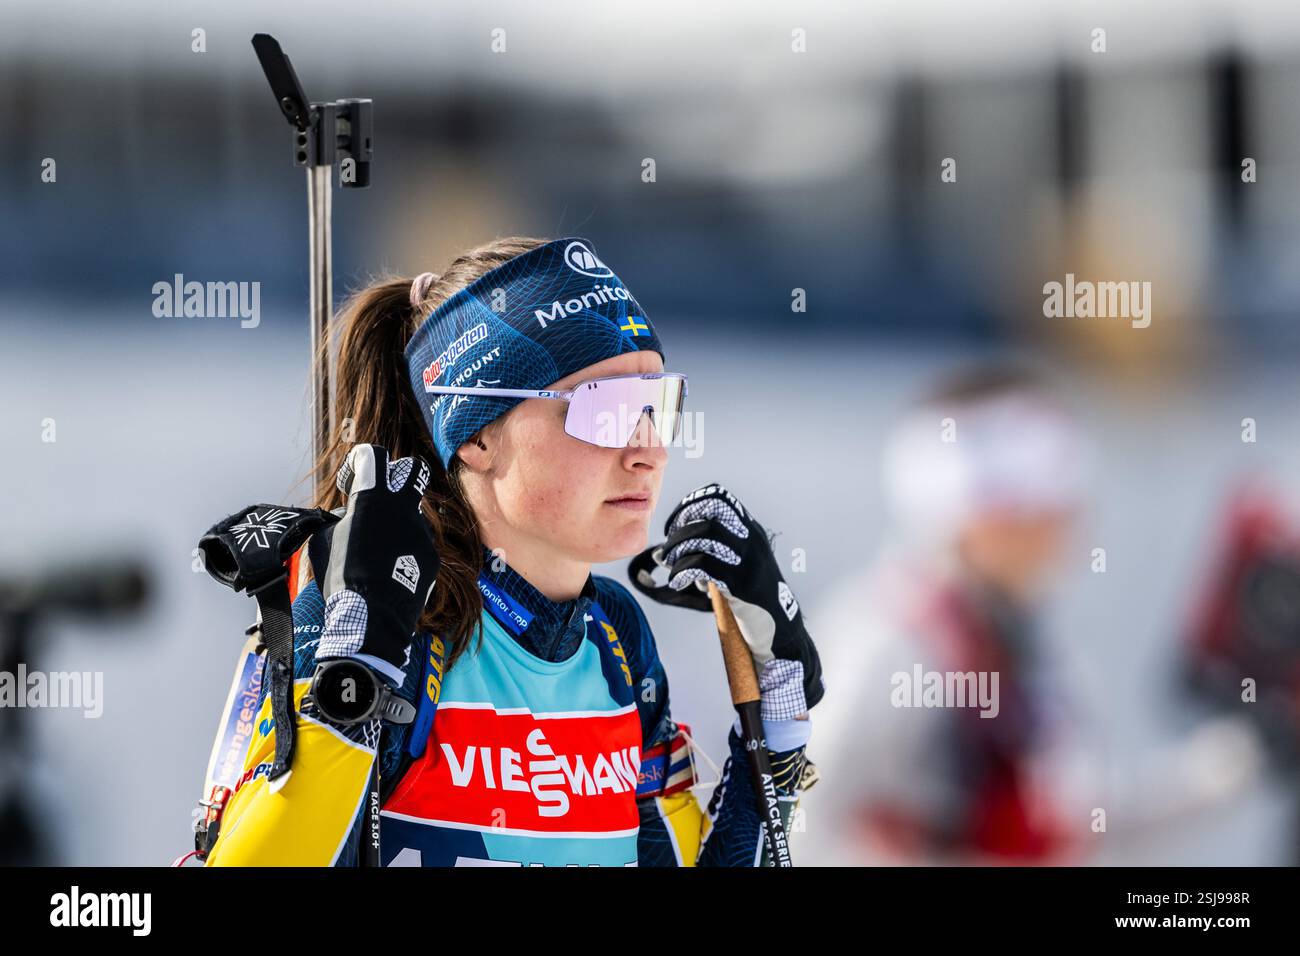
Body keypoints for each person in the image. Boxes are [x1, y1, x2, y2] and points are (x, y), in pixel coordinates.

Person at [201, 236, 824, 866]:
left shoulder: (614, 639)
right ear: (475, 436)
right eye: (606, 411)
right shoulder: (383, 614)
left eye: (657, 407)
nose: (648, 450)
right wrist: (352, 672)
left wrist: (778, 715)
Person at [800, 365, 1258, 865]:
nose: (1074, 520)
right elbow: (794, 820)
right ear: (979, 510)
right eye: (1047, 501)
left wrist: (1243, 760)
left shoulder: (1036, 660)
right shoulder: (882, 645)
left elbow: (1081, 831)